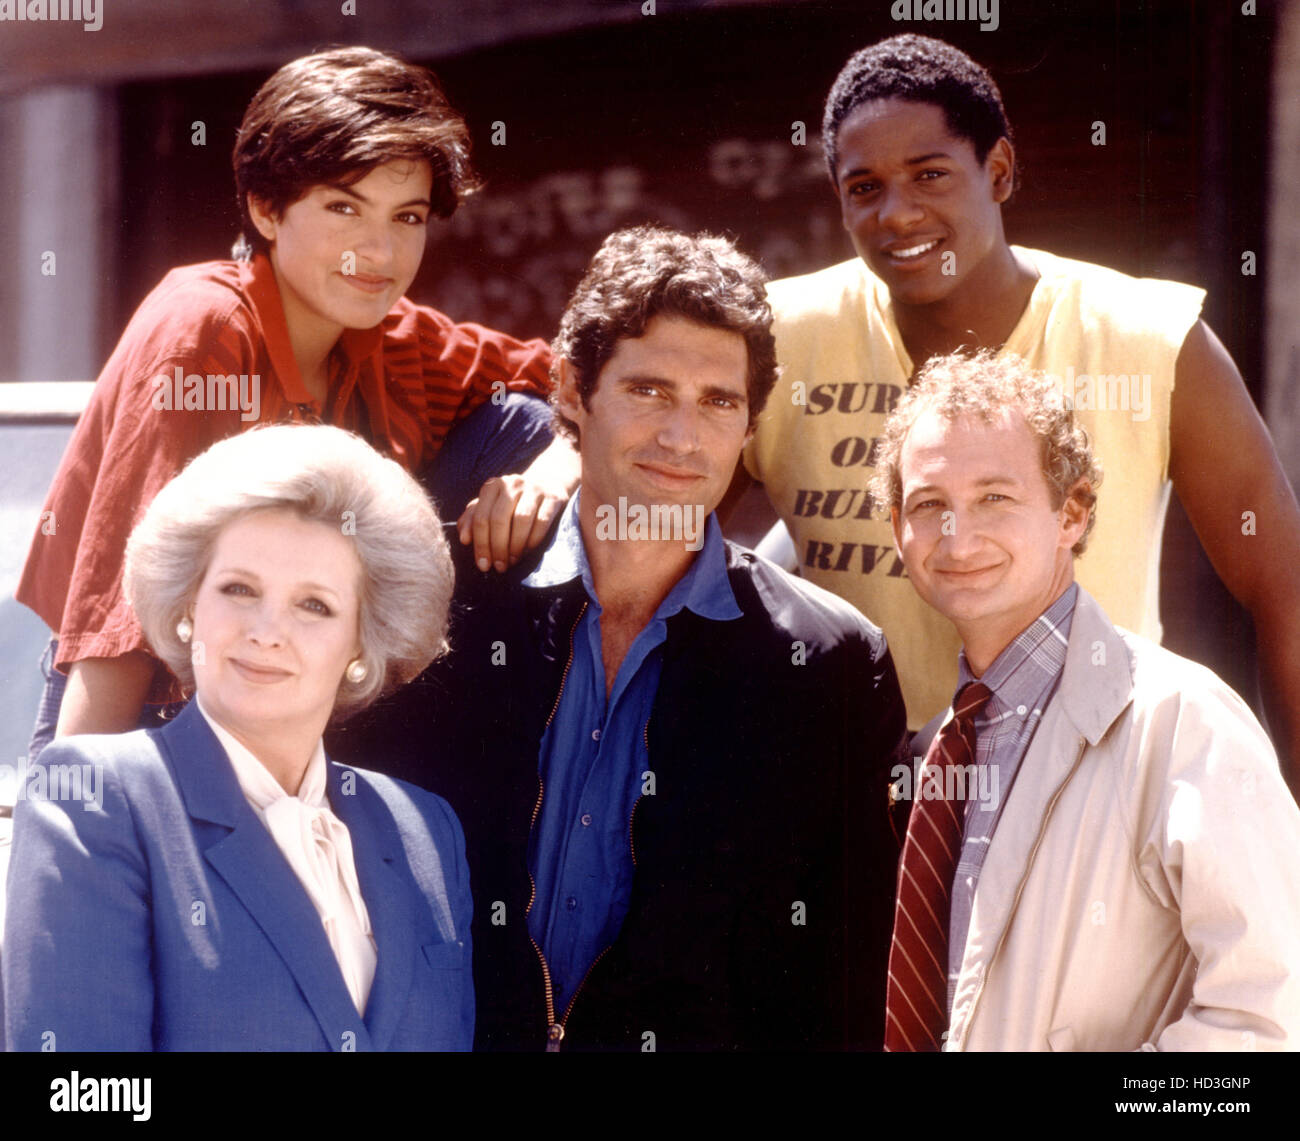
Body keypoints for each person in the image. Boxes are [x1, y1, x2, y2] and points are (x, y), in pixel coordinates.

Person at [337, 225, 909, 1051]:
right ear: (571, 389)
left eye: (718, 402)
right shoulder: (442, 601)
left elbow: (844, 978)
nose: (683, 437)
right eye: (648, 390)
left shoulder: (829, 662)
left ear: (751, 423)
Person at [729, 33, 1300, 787]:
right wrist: (565, 454)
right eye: (864, 187)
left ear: (998, 171)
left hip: (1089, 804)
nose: (898, 214)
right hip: (852, 817)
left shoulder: (1148, 340)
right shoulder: (778, 339)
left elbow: (1282, 583)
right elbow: (657, 485)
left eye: (930, 175)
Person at [17, 45, 579, 759]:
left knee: (528, 425)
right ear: (266, 208)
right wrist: (85, 803)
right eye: (344, 207)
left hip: (307, 705)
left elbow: (591, 380)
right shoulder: (204, 327)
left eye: (406, 217)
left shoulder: (399, 339)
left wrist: (552, 471)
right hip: (154, 706)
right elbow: (117, 605)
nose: (377, 250)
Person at [872, 352, 1300, 1052]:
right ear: (898, 529)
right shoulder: (939, 750)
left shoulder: (1185, 722)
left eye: (994, 498)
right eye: (929, 505)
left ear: (1072, 513)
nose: (958, 536)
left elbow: (1273, 1023)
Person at [4, 424, 473, 1051]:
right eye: (239, 589)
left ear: (363, 642)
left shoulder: (424, 829)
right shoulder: (94, 796)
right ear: (188, 605)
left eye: (315, 605)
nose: (266, 631)